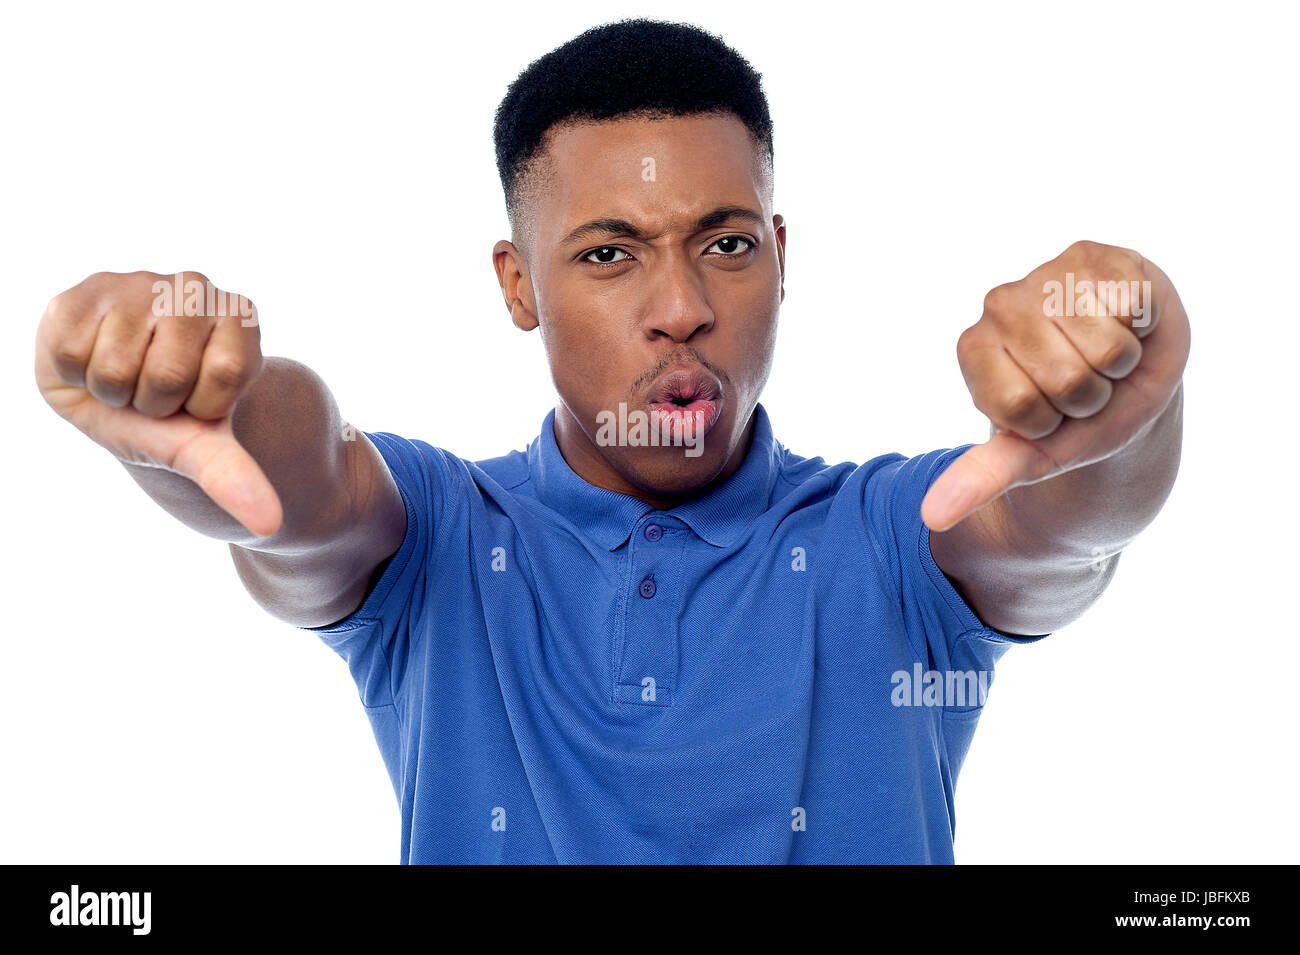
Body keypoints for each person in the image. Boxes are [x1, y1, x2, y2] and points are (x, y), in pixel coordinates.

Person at [33, 18, 1189, 863]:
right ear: (517, 283)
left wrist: (1120, 408)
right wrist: (207, 402)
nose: (678, 303)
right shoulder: (443, 535)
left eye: (726, 244)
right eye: (607, 252)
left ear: (782, 256)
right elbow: (303, 488)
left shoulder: (893, 534)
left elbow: (1061, 522)